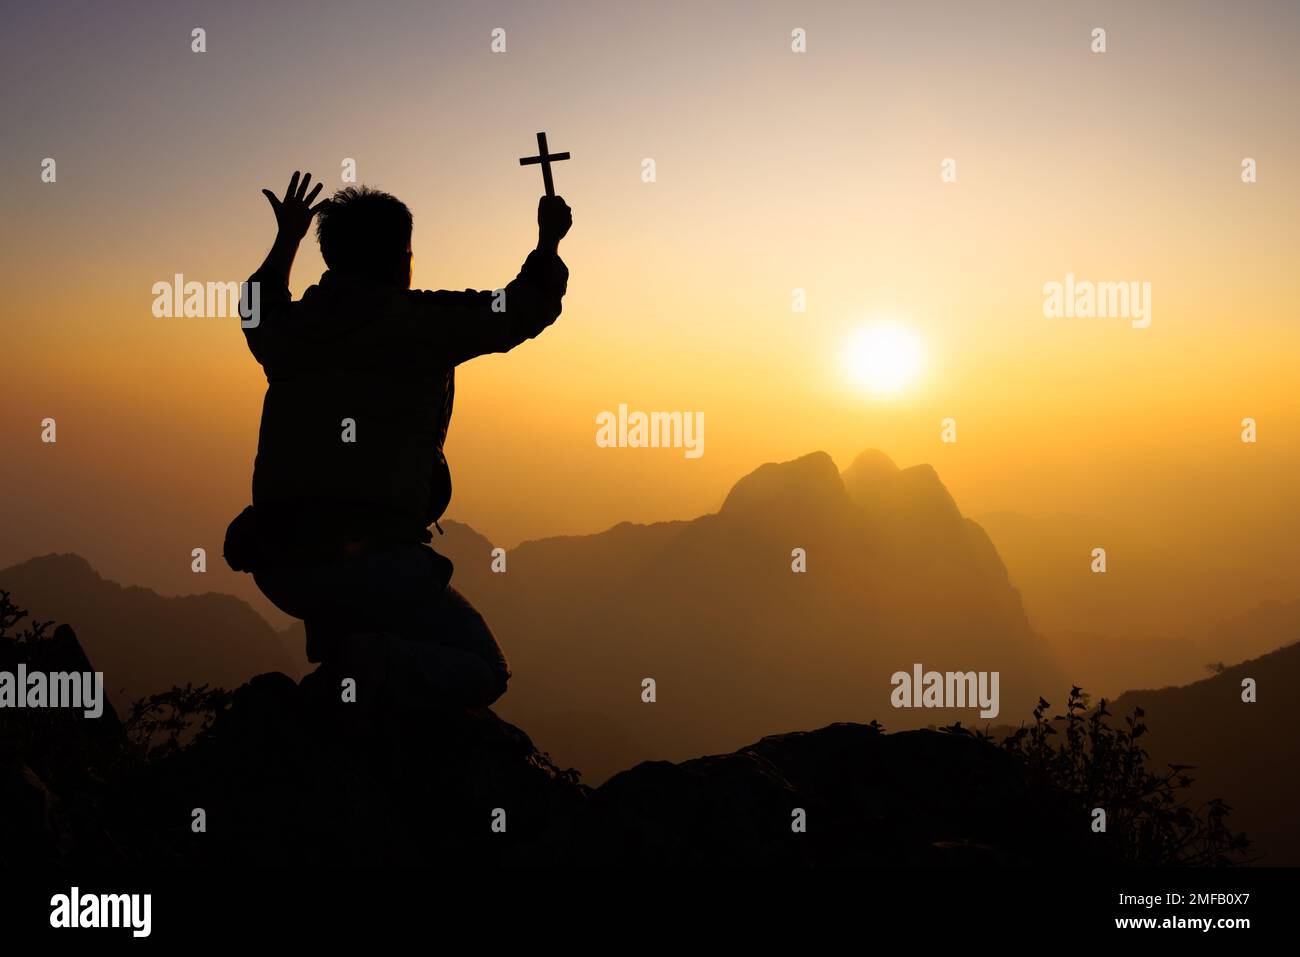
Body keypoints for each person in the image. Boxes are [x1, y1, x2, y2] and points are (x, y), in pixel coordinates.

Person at [224, 172, 571, 709]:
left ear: (331, 256)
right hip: (367, 565)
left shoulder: (289, 330)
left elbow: (253, 302)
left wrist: (287, 238)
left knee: (358, 598)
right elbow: (521, 309)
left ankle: (349, 668)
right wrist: (548, 243)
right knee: (484, 669)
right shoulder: (421, 323)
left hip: (278, 564)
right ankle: (368, 665)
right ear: (399, 257)